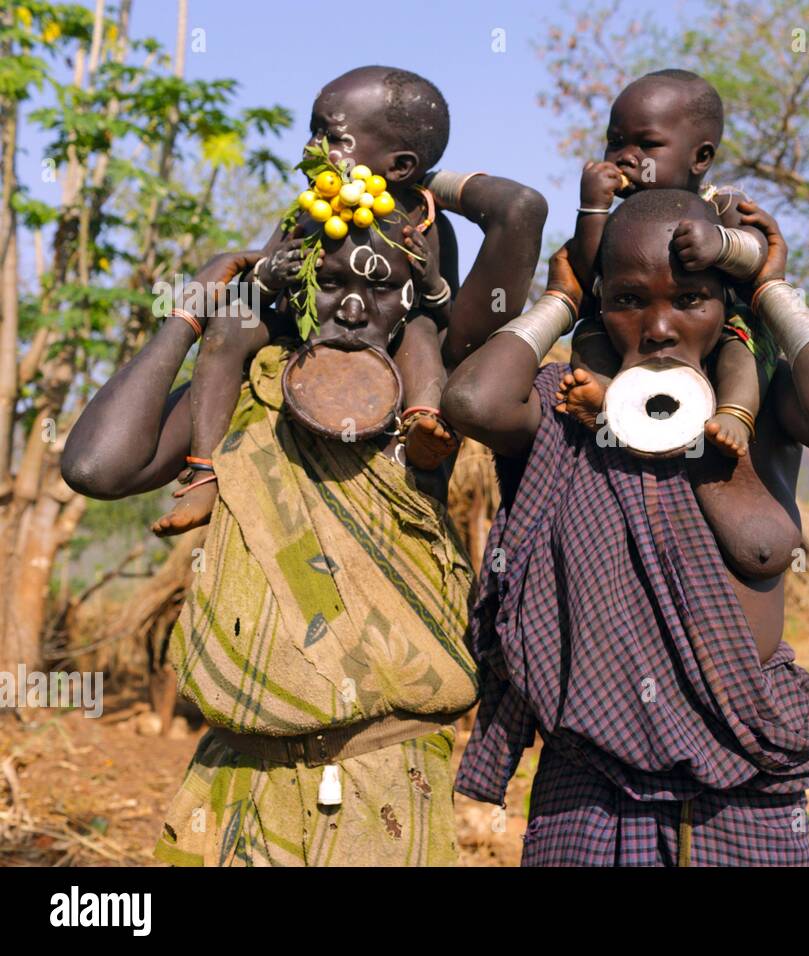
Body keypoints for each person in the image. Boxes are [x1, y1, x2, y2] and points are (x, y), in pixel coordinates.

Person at [61, 157, 546, 865]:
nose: (353, 307)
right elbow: (95, 467)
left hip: (383, 791)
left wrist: (395, 174)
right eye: (333, 282)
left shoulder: (435, 399)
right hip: (231, 786)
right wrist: (191, 313)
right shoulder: (239, 397)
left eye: (380, 287)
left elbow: (520, 212)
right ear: (295, 290)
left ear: (412, 300)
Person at [441, 188, 809, 866]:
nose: (657, 328)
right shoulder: (563, 412)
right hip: (587, 790)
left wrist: (772, 289)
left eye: (690, 300)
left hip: (746, 783)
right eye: (626, 300)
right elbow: (472, 401)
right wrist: (559, 300)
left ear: (726, 305)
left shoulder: (762, 410)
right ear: (600, 304)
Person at [153, 66, 462, 536]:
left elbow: (446, 317)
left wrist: (433, 281)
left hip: (388, 342)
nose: (313, 148)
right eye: (313, 131)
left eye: (331, 135)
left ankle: (421, 425)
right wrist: (270, 276)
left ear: (399, 167)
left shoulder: (424, 221)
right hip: (298, 329)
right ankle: (205, 470)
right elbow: (264, 281)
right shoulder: (309, 209)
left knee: (418, 327)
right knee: (231, 323)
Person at [559, 69, 778, 458]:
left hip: (719, 330)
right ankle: (608, 401)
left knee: (745, 337)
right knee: (590, 333)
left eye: (648, 145)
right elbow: (589, 273)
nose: (626, 157)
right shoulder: (617, 222)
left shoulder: (721, 204)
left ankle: (736, 413)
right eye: (616, 143)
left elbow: (761, 250)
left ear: (700, 158)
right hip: (632, 336)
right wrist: (592, 208)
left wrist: (721, 245)